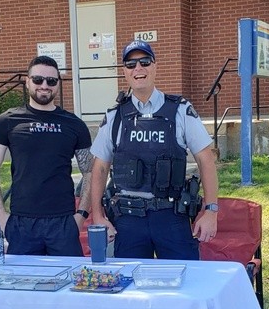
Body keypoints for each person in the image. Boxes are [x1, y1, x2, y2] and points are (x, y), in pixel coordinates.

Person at [90, 41, 218, 260]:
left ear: (155, 66)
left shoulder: (180, 110)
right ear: (124, 72)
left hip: (171, 217)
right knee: (130, 289)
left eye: (144, 62)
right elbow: (100, 168)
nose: (138, 68)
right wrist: (98, 216)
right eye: (131, 64)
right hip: (128, 220)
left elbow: (206, 160)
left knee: (183, 284)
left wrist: (211, 211)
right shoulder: (115, 116)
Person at [0, 55, 93, 256]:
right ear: (27, 81)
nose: (44, 85)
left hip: (63, 223)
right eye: (38, 80)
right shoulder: (7, 121)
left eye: (51, 81)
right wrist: (1, 216)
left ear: (58, 84)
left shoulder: (74, 124)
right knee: (22, 284)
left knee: (69, 284)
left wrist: (81, 216)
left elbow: (89, 171)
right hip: (22, 223)